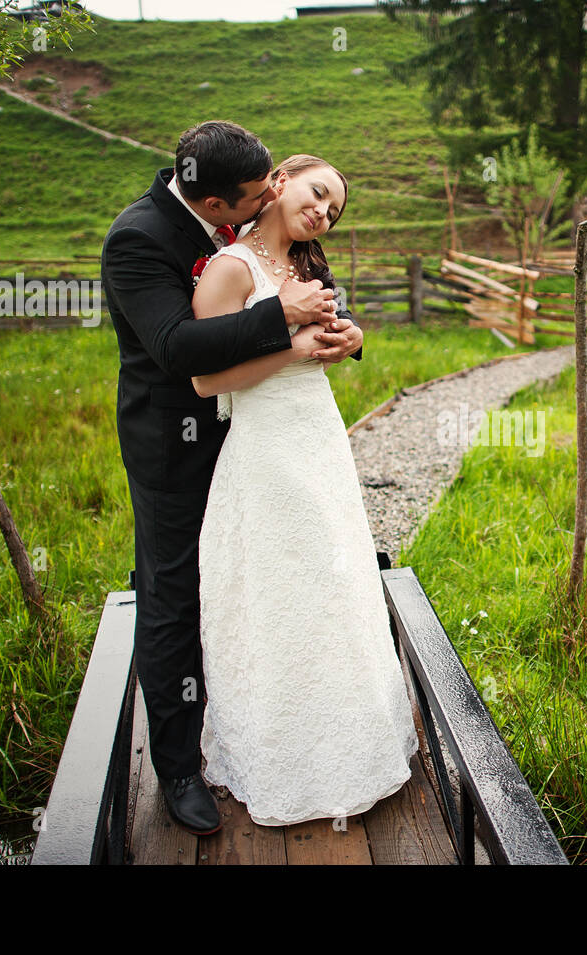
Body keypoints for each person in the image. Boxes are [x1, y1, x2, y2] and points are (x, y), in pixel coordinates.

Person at [102, 122, 365, 836]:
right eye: (257, 193)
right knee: (174, 593)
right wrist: (286, 323)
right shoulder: (141, 239)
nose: (271, 196)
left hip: (253, 437)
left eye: (277, 182)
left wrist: (347, 333)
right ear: (216, 201)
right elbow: (181, 349)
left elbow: (308, 288)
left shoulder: (246, 226)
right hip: (173, 445)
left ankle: (274, 720)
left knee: (255, 583)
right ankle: (181, 766)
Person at [190, 154, 418, 826]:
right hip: (266, 454)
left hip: (319, 442)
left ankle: (344, 746)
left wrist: (351, 338)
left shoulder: (306, 268)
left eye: (334, 211)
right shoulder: (234, 268)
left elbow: (324, 341)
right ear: (282, 180)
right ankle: (281, 754)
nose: (324, 212)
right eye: (319, 193)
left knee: (335, 582)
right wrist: (294, 348)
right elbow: (206, 380)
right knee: (281, 592)